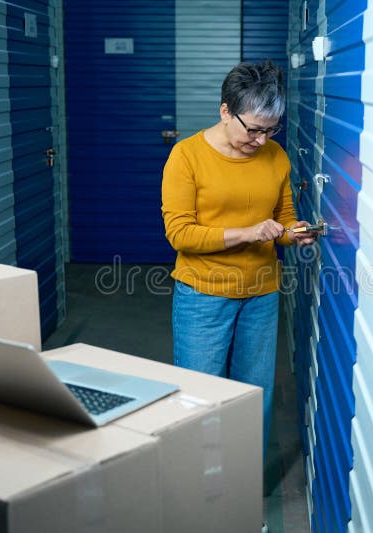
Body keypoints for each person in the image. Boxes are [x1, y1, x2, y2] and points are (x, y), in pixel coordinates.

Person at [161, 60, 316, 463]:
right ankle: (198, 493)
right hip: (203, 297)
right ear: (225, 111)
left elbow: (281, 218)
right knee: (200, 398)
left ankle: (242, 496)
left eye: (271, 129)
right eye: (254, 129)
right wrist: (247, 232)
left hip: (261, 296)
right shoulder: (187, 156)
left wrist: (294, 233)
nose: (262, 140)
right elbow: (180, 233)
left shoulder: (275, 156)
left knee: (253, 399)